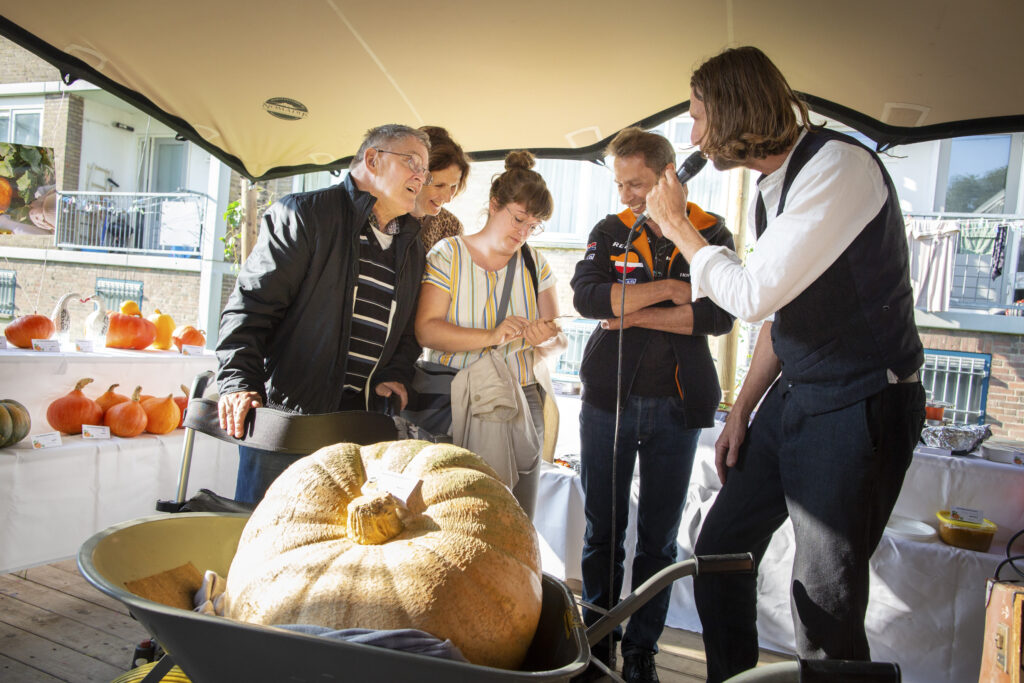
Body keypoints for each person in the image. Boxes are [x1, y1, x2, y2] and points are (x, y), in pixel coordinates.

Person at [644, 46, 926, 682]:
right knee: (719, 550)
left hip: (861, 398)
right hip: (797, 393)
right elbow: (778, 315)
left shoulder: (842, 168)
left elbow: (748, 296)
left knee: (822, 603)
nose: (691, 136)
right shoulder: (774, 190)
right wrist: (741, 412)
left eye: (696, 117)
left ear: (735, 110)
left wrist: (680, 228)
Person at [569, 128, 735, 683]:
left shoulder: (710, 232)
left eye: (636, 183)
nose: (626, 196)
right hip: (606, 403)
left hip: (679, 409)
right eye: (619, 184)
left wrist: (628, 312)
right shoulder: (609, 230)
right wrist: (669, 291)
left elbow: (717, 316)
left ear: (669, 176)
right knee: (602, 532)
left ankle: (641, 649)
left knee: (660, 540)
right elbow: (588, 298)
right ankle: (596, 641)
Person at [215, 124, 430, 504]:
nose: (420, 176)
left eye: (425, 170)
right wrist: (237, 380)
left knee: (328, 552)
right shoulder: (305, 215)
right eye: (411, 162)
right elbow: (251, 306)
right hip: (288, 422)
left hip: (358, 433)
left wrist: (396, 374)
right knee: (258, 540)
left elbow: (408, 332)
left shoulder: (411, 245)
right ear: (372, 159)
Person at [415, 150, 563, 519]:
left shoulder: (534, 262)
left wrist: (543, 338)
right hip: (457, 394)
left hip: (522, 398)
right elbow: (426, 330)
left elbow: (557, 336)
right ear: (494, 205)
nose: (523, 232)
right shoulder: (447, 255)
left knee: (516, 515)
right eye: (518, 219)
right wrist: (492, 336)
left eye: (534, 225)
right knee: (454, 510)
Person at [412, 126, 471, 251]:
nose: (448, 198)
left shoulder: (452, 227)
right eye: (439, 185)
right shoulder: (383, 216)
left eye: (453, 186)